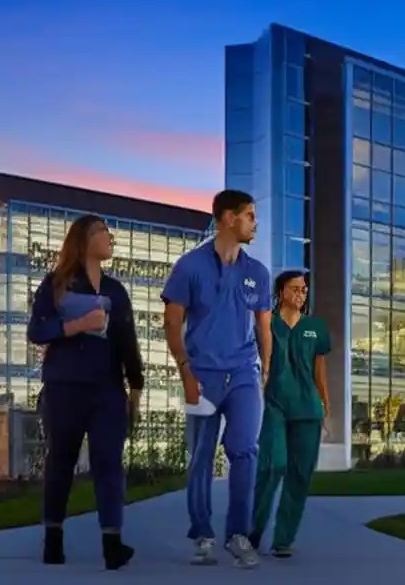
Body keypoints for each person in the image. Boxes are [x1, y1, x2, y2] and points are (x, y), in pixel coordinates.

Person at [162, 189, 273, 568]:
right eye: (250, 215)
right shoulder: (189, 266)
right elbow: (172, 321)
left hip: (244, 373)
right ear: (228, 217)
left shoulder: (257, 273)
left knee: (244, 450)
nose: (255, 222)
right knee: (200, 458)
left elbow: (264, 327)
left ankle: (239, 535)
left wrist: (265, 371)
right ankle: (202, 534)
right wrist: (184, 370)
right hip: (202, 374)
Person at [27, 214, 143, 570]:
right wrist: (80, 324)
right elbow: (37, 330)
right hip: (64, 388)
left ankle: (113, 544)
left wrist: (135, 387)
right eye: (101, 231)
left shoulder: (115, 291)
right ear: (83, 241)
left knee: (109, 463)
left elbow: (127, 341)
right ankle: (53, 540)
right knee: (60, 461)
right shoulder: (57, 284)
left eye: (110, 230)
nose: (109, 236)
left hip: (107, 391)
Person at [250, 270, 330, 557]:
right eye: (295, 289)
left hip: (308, 408)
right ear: (281, 291)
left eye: (304, 290)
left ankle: (283, 539)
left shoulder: (316, 327)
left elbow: (320, 370)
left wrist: (326, 406)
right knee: (273, 464)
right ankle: (254, 531)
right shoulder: (267, 322)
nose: (301, 294)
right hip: (276, 404)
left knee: (300, 474)